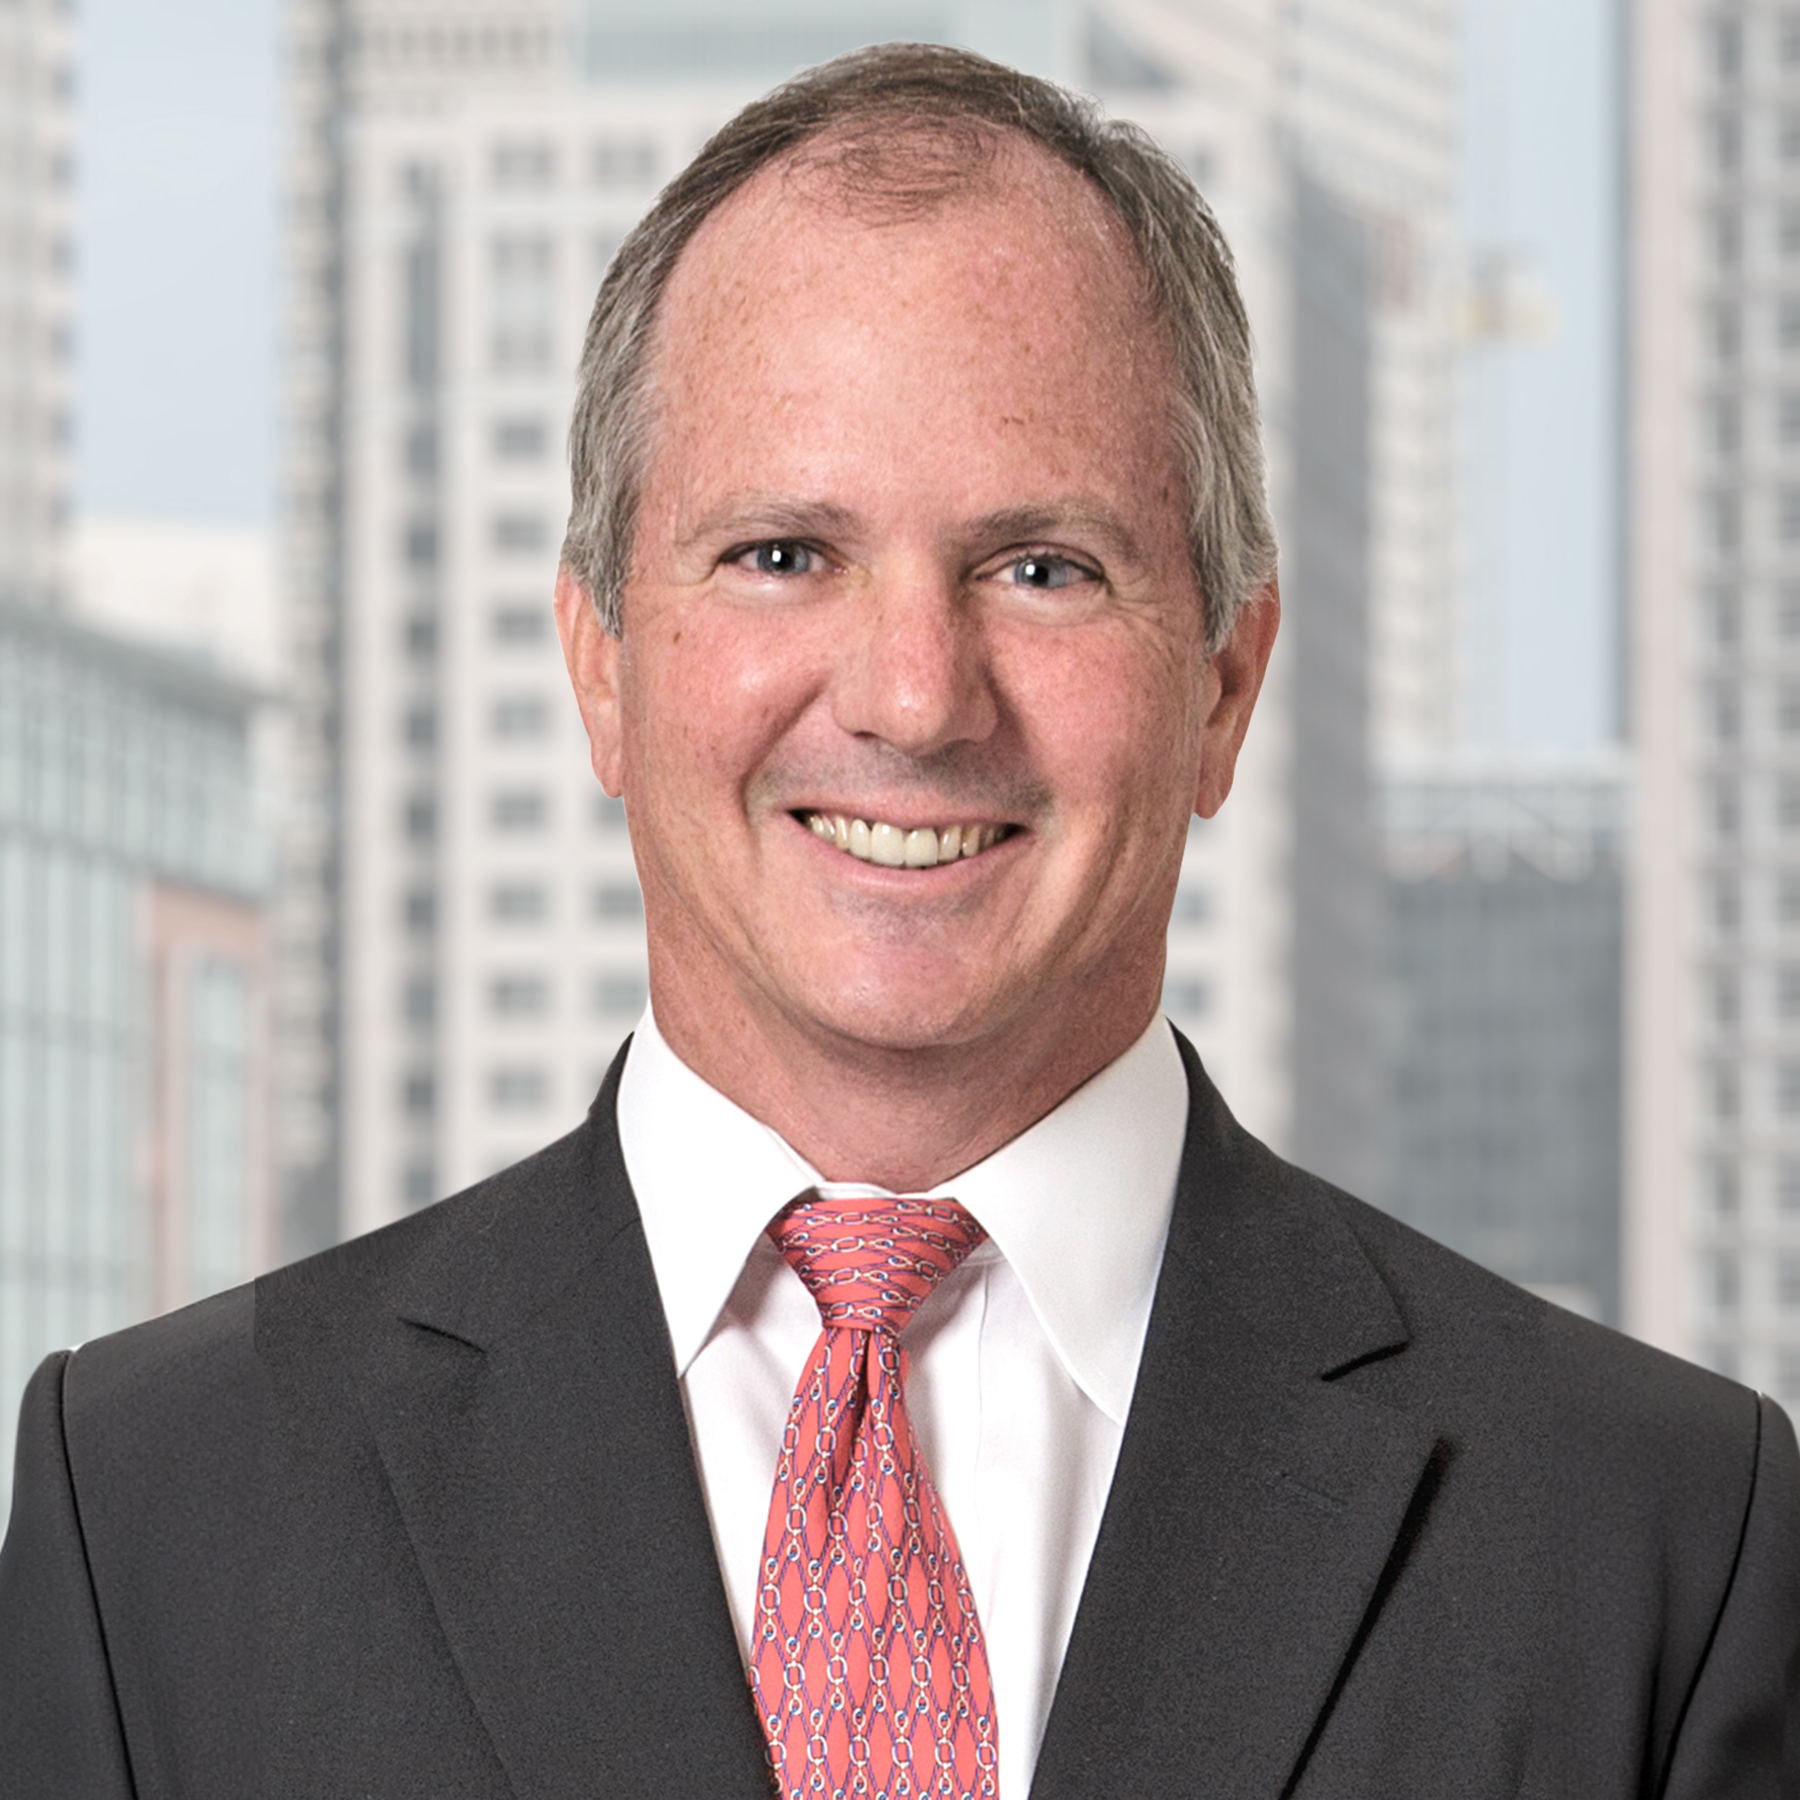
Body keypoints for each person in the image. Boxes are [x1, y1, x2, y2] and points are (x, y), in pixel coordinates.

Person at [2, 41, 1795, 1800]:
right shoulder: (151, 1515)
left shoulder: (1658, 1541)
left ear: (1226, 685)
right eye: (783, 554)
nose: (918, 697)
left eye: (1043, 569)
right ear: (601, 665)